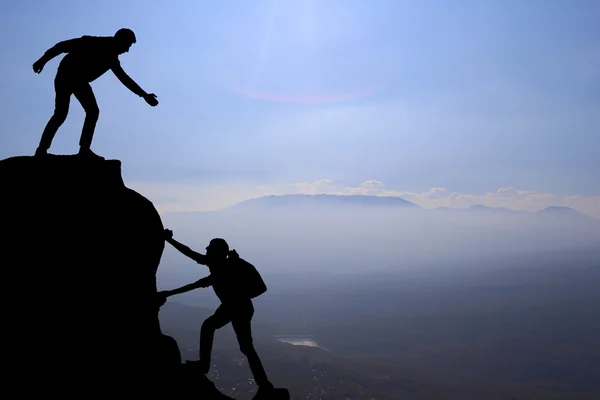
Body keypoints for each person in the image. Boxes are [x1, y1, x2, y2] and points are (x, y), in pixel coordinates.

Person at [158, 229, 274, 395]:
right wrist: (169, 240)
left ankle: (263, 384)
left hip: (238, 308)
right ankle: (262, 383)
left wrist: (238, 295)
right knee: (232, 339)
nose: (206, 250)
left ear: (217, 252)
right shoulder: (220, 266)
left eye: (209, 248)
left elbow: (260, 288)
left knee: (243, 345)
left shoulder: (229, 268)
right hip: (235, 306)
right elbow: (192, 257)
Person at [32, 28, 159, 159]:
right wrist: (43, 60)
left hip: (79, 81)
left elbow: (124, 78)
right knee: (61, 114)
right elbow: (62, 46)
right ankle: (42, 150)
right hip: (66, 76)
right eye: (127, 45)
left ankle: (84, 150)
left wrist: (144, 95)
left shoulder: (112, 58)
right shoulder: (93, 42)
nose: (127, 50)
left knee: (92, 111)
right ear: (120, 40)